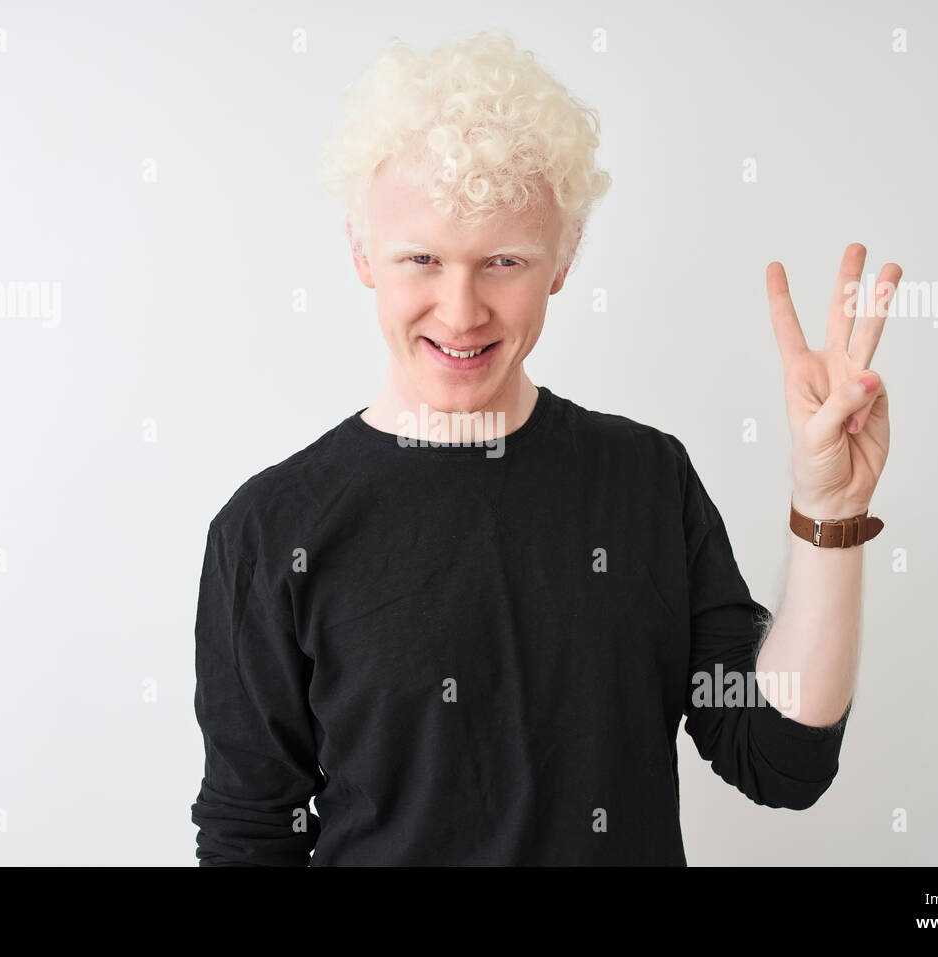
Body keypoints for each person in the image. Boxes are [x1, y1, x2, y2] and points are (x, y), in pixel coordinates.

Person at [190, 30, 900, 866]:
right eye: (421, 258)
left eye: (503, 261)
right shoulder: (270, 530)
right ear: (361, 255)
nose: (460, 311)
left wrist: (830, 514)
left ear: (561, 261)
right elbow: (252, 834)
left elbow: (780, 760)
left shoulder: (648, 481)